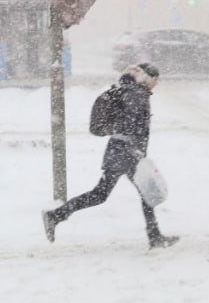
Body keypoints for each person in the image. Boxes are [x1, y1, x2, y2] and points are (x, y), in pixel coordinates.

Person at [41, 63, 178, 249]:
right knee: (143, 193)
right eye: (155, 79)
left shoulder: (130, 91)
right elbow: (131, 125)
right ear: (147, 78)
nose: (157, 83)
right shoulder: (136, 94)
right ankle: (154, 237)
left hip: (120, 151)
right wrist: (136, 150)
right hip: (127, 153)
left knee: (102, 194)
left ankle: (57, 215)